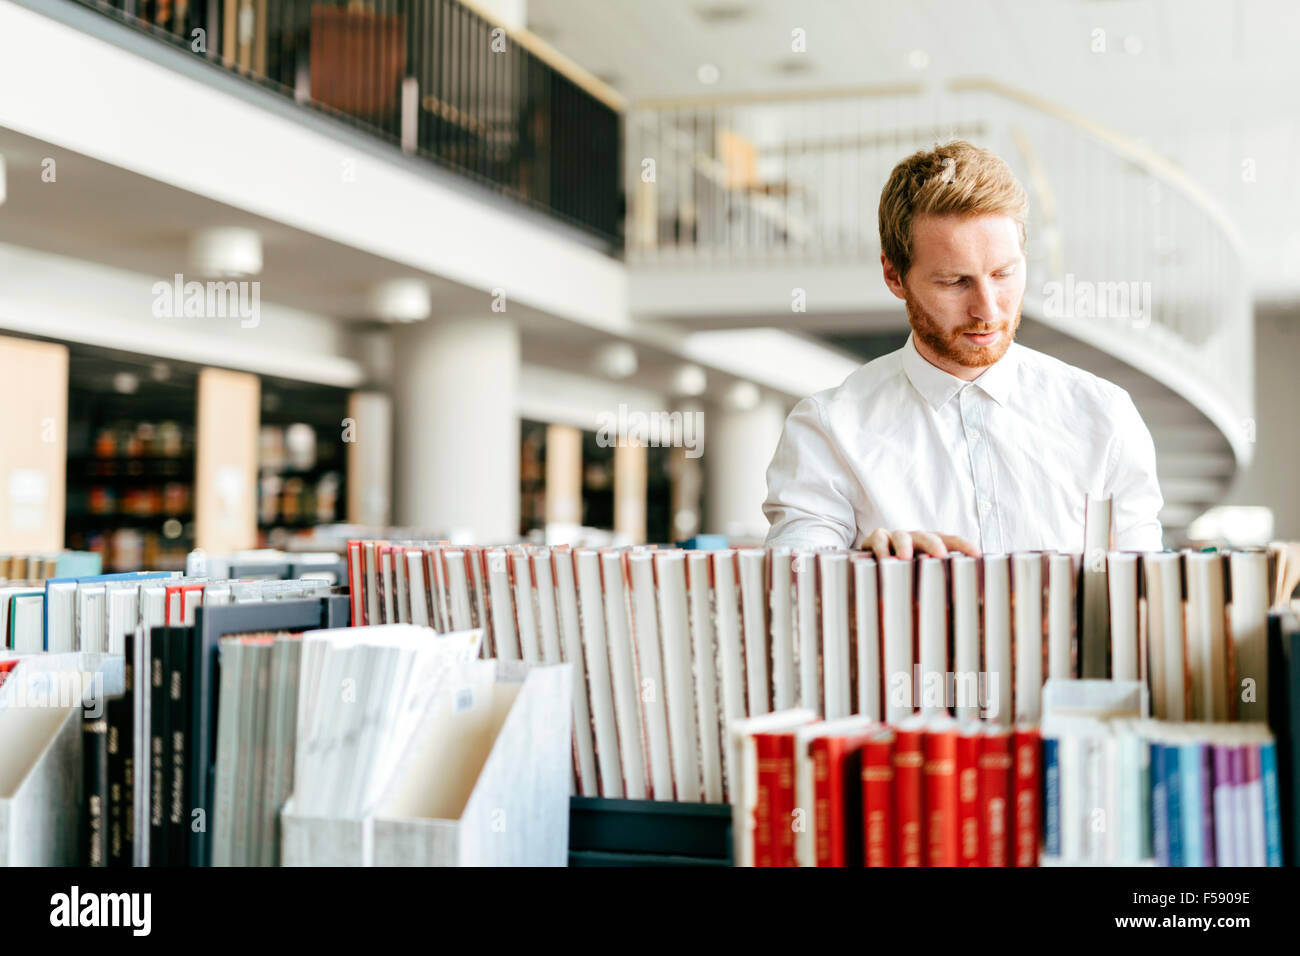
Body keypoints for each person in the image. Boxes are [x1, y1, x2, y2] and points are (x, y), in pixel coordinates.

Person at [763, 140, 1164, 560]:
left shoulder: (1106, 418)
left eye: (1004, 273)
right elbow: (794, 592)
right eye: (955, 282)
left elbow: (1142, 602)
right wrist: (858, 569)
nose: (987, 309)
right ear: (894, 275)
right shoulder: (828, 429)